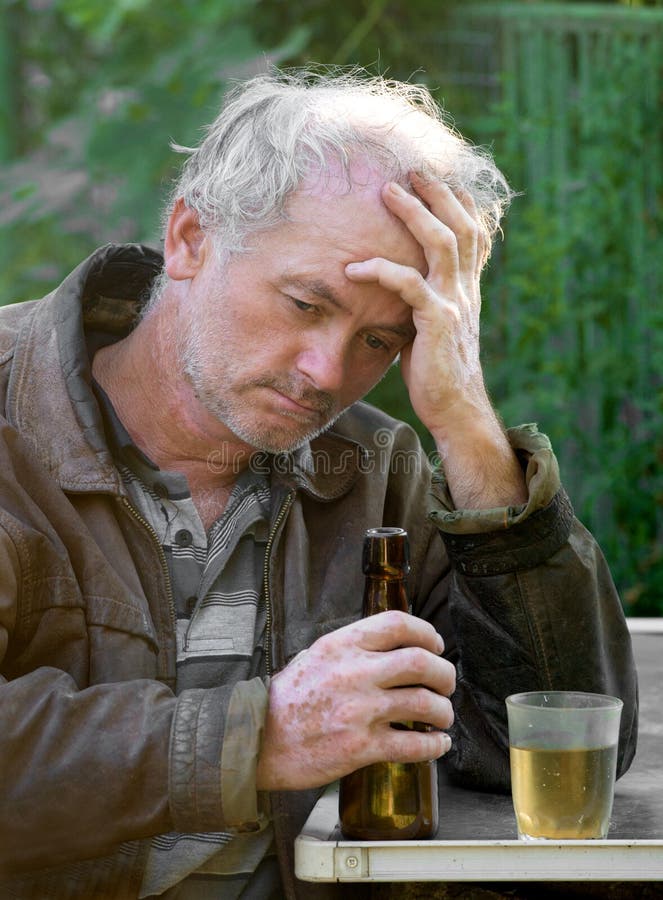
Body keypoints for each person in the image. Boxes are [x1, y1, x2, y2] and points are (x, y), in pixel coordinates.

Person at [0, 68, 637, 900]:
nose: (326, 374)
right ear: (190, 238)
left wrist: (466, 424)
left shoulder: (372, 464)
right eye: (305, 303)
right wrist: (258, 738)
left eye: (380, 340)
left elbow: (554, 737)